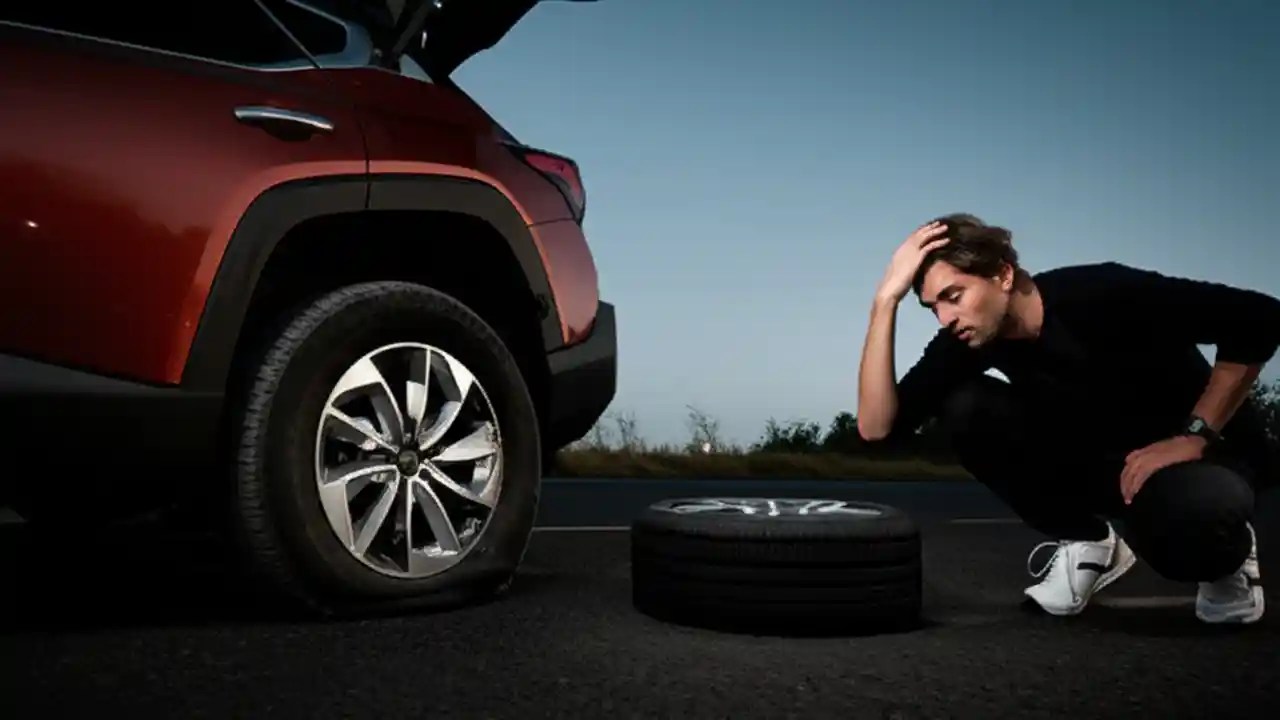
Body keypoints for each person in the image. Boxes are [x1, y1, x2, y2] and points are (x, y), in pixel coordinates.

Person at [856, 213, 1279, 623]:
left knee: (1192, 521)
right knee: (966, 407)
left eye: (954, 296)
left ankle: (1229, 561)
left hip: (1198, 460)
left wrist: (1195, 433)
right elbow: (876, 428)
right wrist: (884, 301)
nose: (946, 318)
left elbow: (1259, 317)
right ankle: (1090, 543)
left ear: (1003, 275)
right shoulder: (967, 339)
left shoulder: (1101, 292)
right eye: (933, 307)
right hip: (1113, 464)